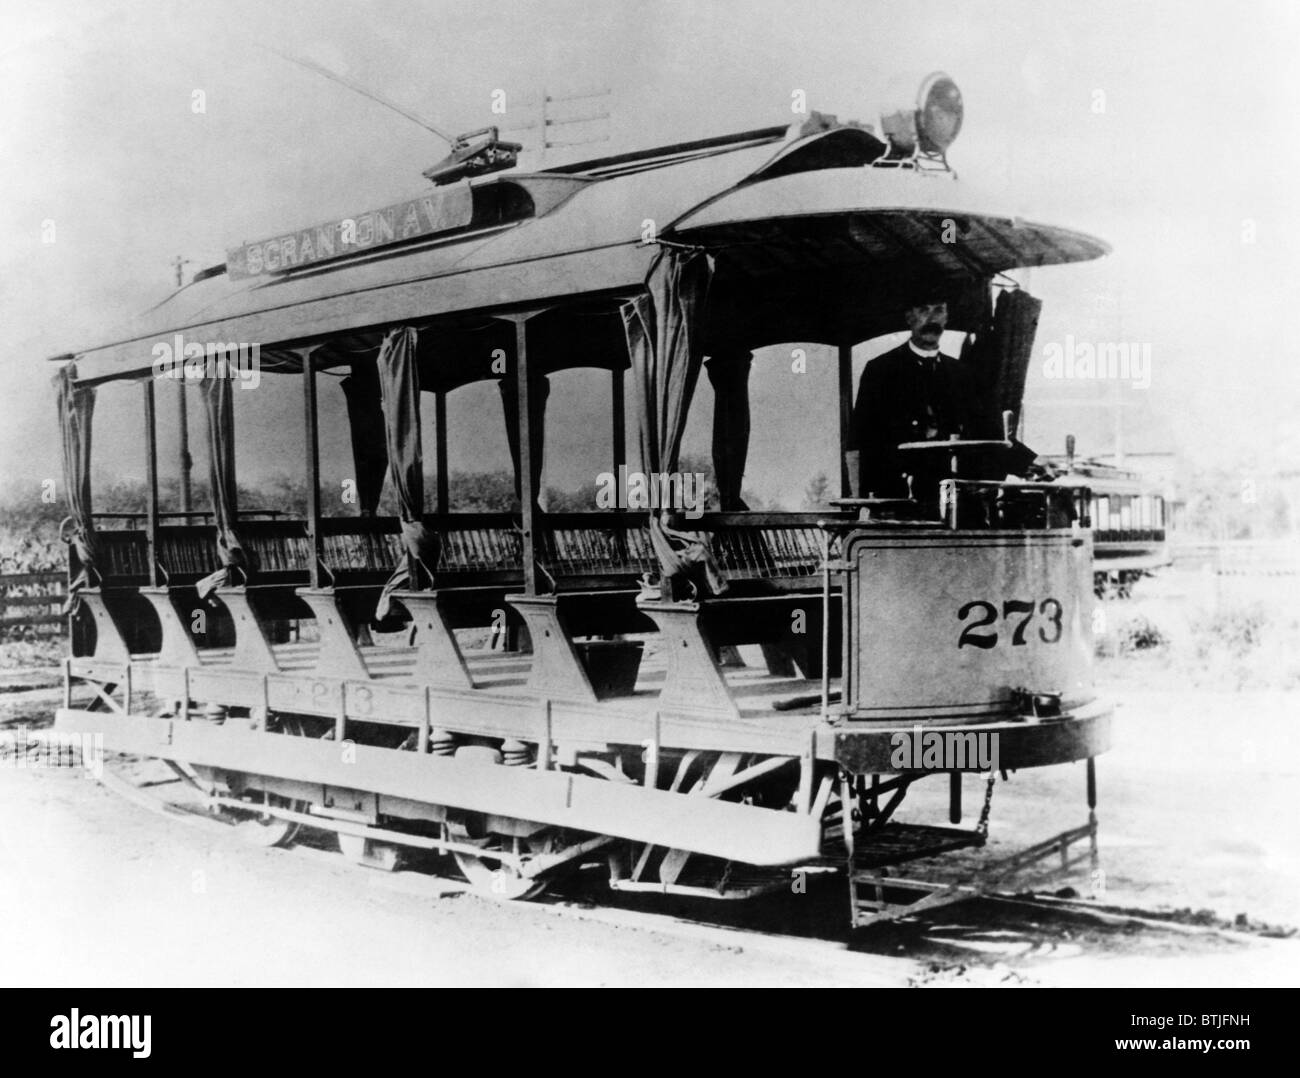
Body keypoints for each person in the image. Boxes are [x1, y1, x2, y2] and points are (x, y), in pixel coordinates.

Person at [846, 290, 981, 500]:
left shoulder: (960, 374)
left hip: (951, 494)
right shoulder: (881, 370)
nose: (932, 318)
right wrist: (861, 499)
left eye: (939, 310)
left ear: (947, 316)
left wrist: (1030, 462)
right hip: (897, 493)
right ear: (909, 317)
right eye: (924, 310)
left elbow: (983, 428)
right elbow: (859, 440)